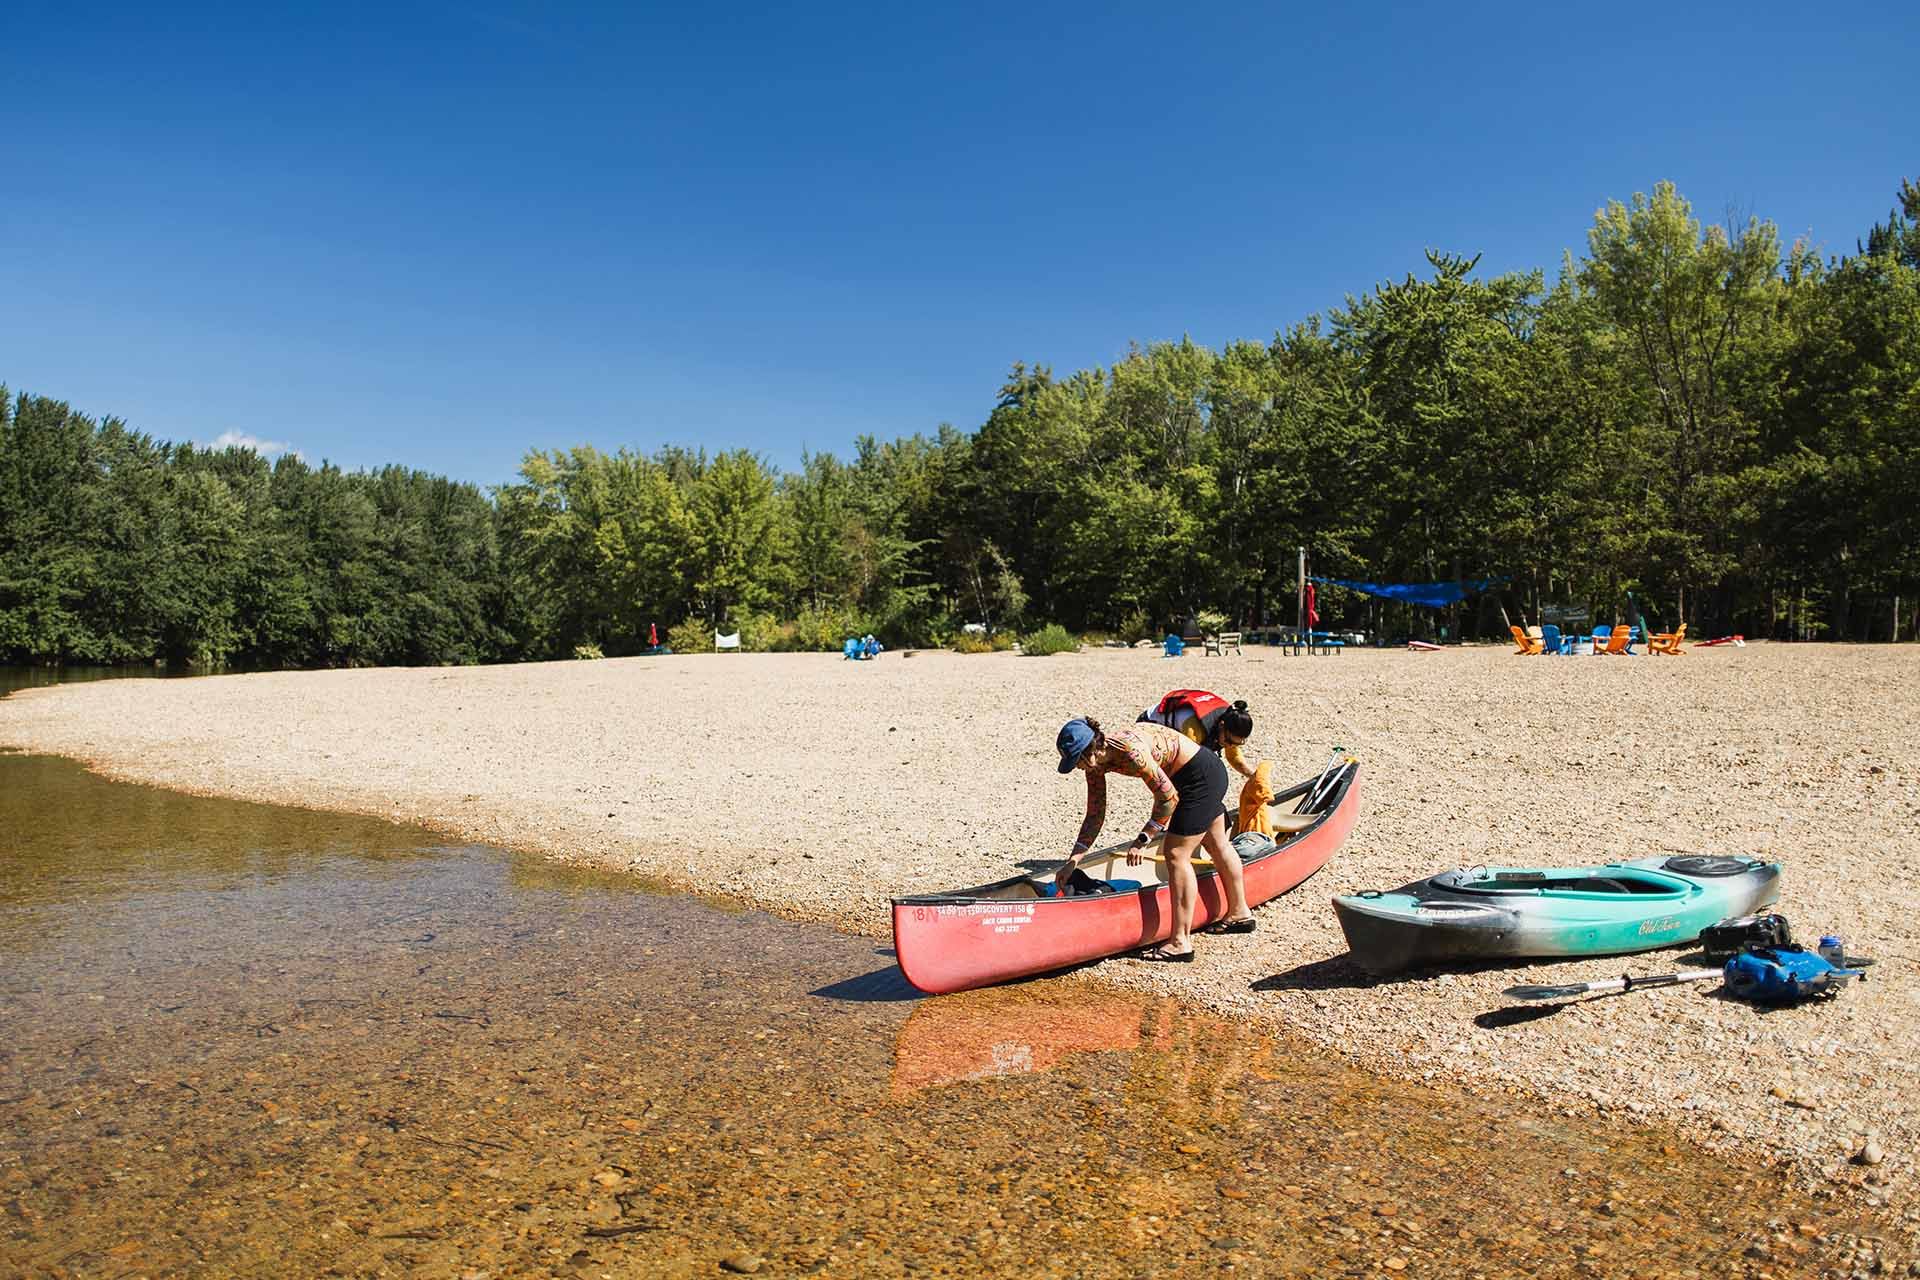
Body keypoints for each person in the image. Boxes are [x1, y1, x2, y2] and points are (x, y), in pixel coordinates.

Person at [1053, 716, 1255, 961]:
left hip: (1199, 777)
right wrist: (1073, 861)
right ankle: (1239, 914)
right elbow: (1095, 814)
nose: (1077, 767)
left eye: (1077, 761)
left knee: (1176, 854)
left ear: (1092, 749)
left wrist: (1143, 838)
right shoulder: (1095, 765)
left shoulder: (1130, 751)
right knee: (1215, 842)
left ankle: (1180, 942)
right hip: (1194, 774)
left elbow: (1168, 799)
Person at [1138, 690, 1258, 780]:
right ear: (1221, 725)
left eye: (1235, 743)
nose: (1229, 746)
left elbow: (1235, 758)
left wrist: (1254, 777)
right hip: (1147, 728)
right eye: (1229, 742)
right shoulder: (1195, 730)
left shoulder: (1231, 723)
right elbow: (1186, 766)